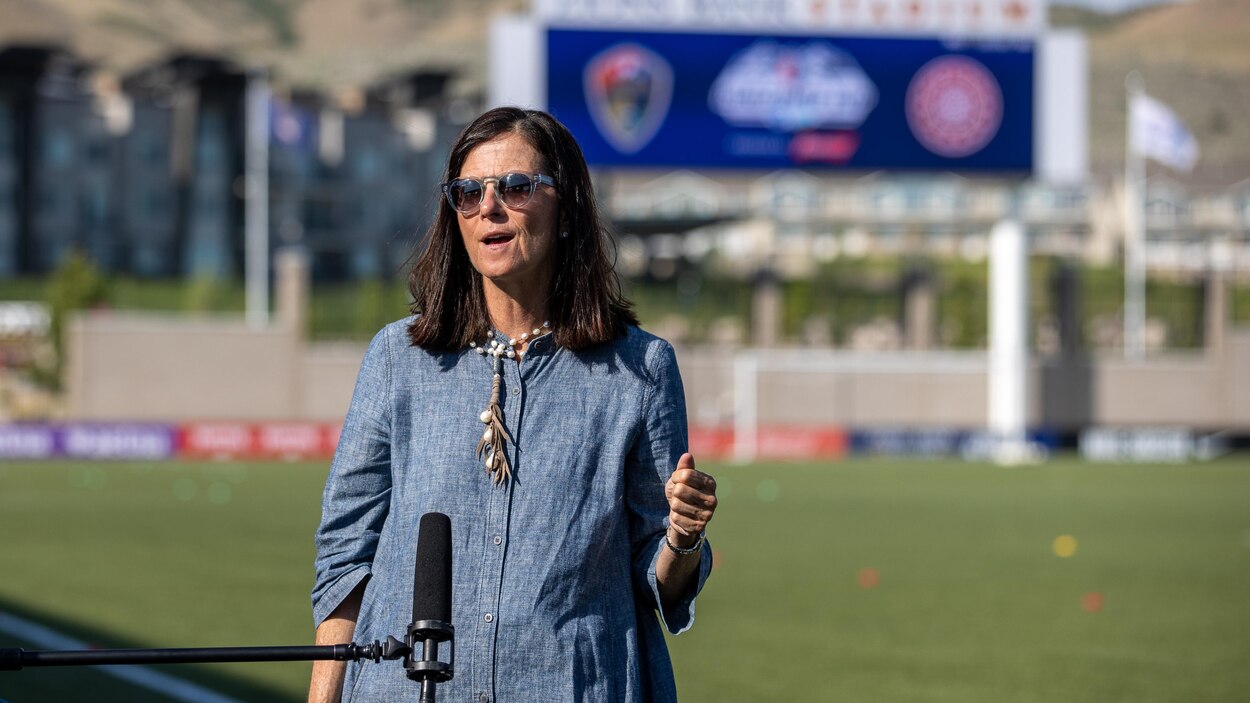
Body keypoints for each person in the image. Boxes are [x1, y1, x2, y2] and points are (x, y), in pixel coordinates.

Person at [308, 106, 718, 702]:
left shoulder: (640, 370)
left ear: (567, 209)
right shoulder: (398, 358)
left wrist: (682, 538)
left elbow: (658, 577)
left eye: (516, 188)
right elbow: (346, 557)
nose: (488, 208)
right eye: (468, 193)